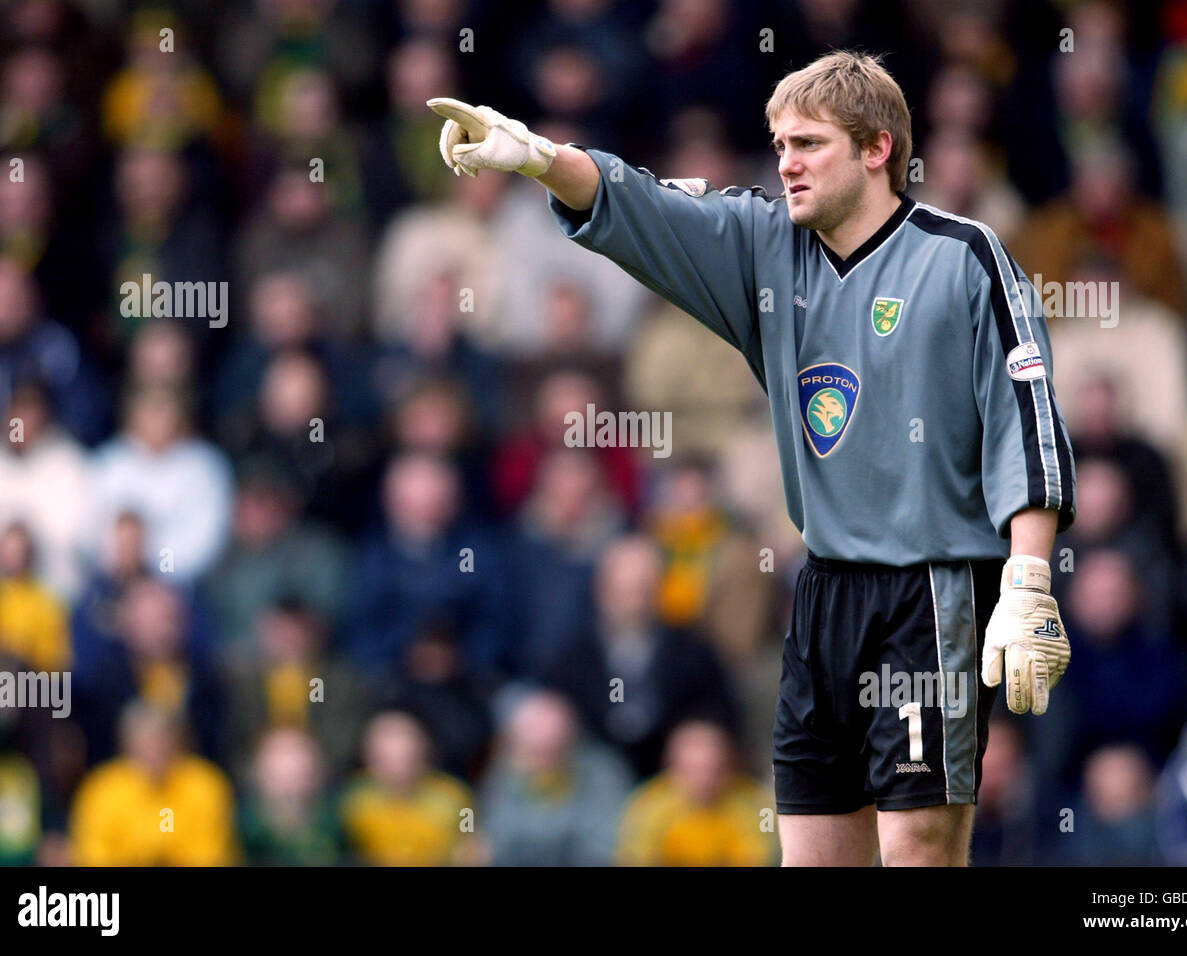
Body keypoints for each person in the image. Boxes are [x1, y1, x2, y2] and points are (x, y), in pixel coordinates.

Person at [426, 49, 1076, 866]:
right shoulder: (767, 244)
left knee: (916, 848)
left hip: (932, 591)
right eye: (778, 145)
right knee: (810, 851)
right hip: (824, 591)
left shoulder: (966, 258)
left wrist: (1026, 580)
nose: (785, 164)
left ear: (877, 149)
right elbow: (645, 206)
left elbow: (1029, 419)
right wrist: (534, 157)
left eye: (808, 144)